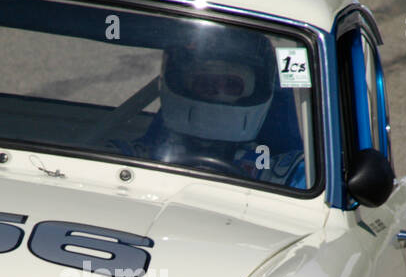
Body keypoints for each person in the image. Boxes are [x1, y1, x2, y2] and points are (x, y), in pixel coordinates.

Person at [111, 26, 307, 188]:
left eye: (231, 84)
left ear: (254, 91)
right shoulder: (134, 158)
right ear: (180, 85)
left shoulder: (281, 174)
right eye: (205, 83)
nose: (217, 94)